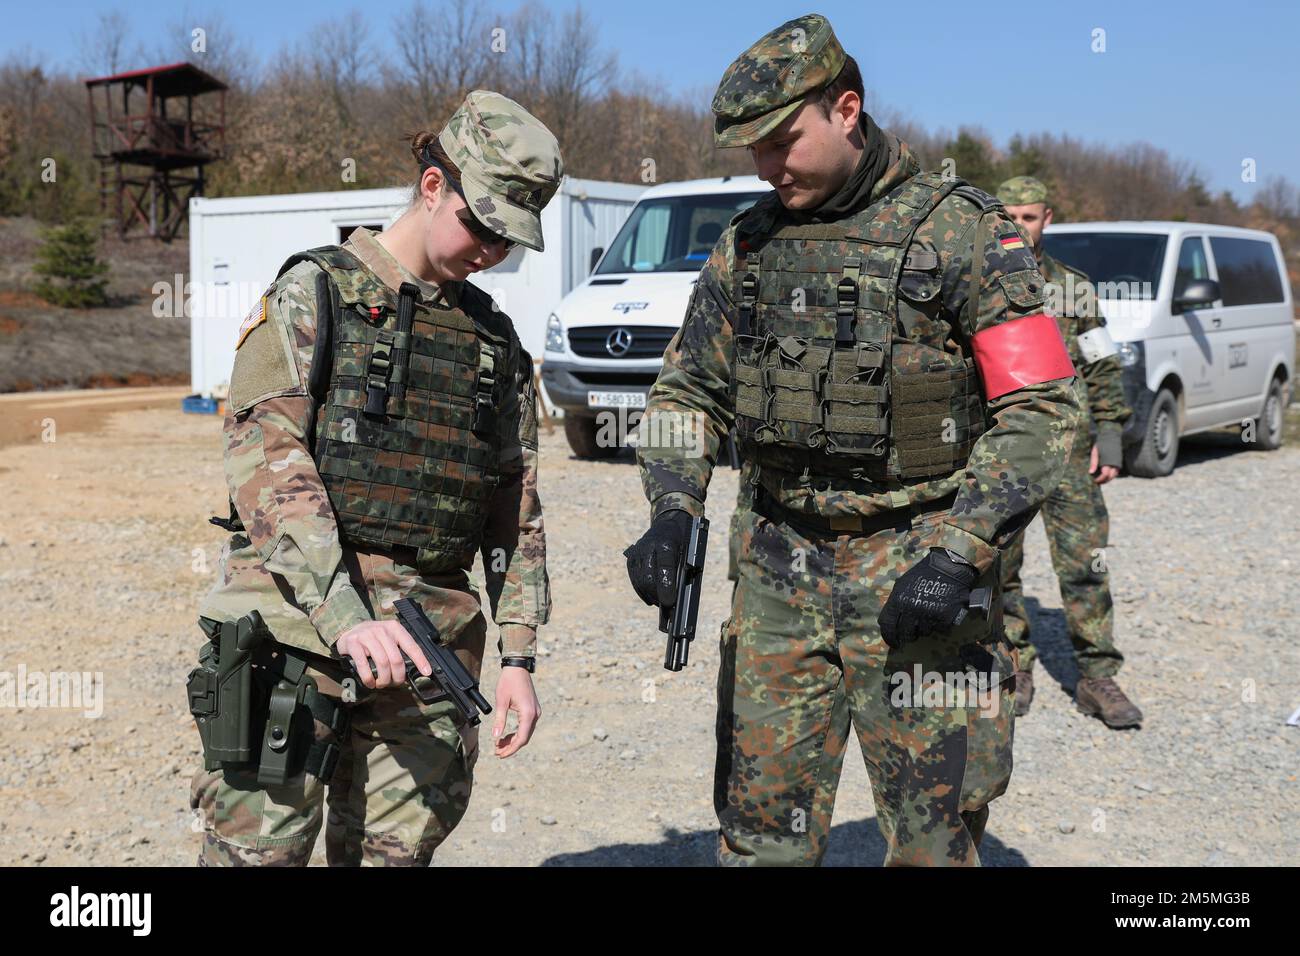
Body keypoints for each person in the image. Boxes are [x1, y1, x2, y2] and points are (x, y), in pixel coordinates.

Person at [625, 15, 1084, 866]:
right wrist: (673, 503)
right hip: (776, 572)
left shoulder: (967, 234)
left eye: (781, 142)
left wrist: (961, 549)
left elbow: (1044, 411)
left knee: (933, 840)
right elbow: (686, 390)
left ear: (847, 108)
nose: (766, 167)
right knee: (760, 836)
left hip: (924, 579)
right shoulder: (749, 245)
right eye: (750, 151)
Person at [188, 90, 562, 866]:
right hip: (294, 636)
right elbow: (269, 463)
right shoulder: (313, 293)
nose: (492, 251)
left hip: (428, 655)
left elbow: (513, 508)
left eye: (509, 239)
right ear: (434, 186)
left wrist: (520, 657)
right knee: (258, 856)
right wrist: (345, 612)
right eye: (481, 224)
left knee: (393, 858)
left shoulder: (495, 343)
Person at [996, 176, 1142, 728]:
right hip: (1004, 451)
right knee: (1000, 566)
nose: (1018, 226)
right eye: (1007, 215)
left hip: (1070, 450)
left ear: (1047, 218)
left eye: (1028, 216)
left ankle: (1097, 674)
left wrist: (1109, 436)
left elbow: (1101, 362)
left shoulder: (1075, 289)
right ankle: (1015, 664)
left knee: (1086, 564)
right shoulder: (976, 284)